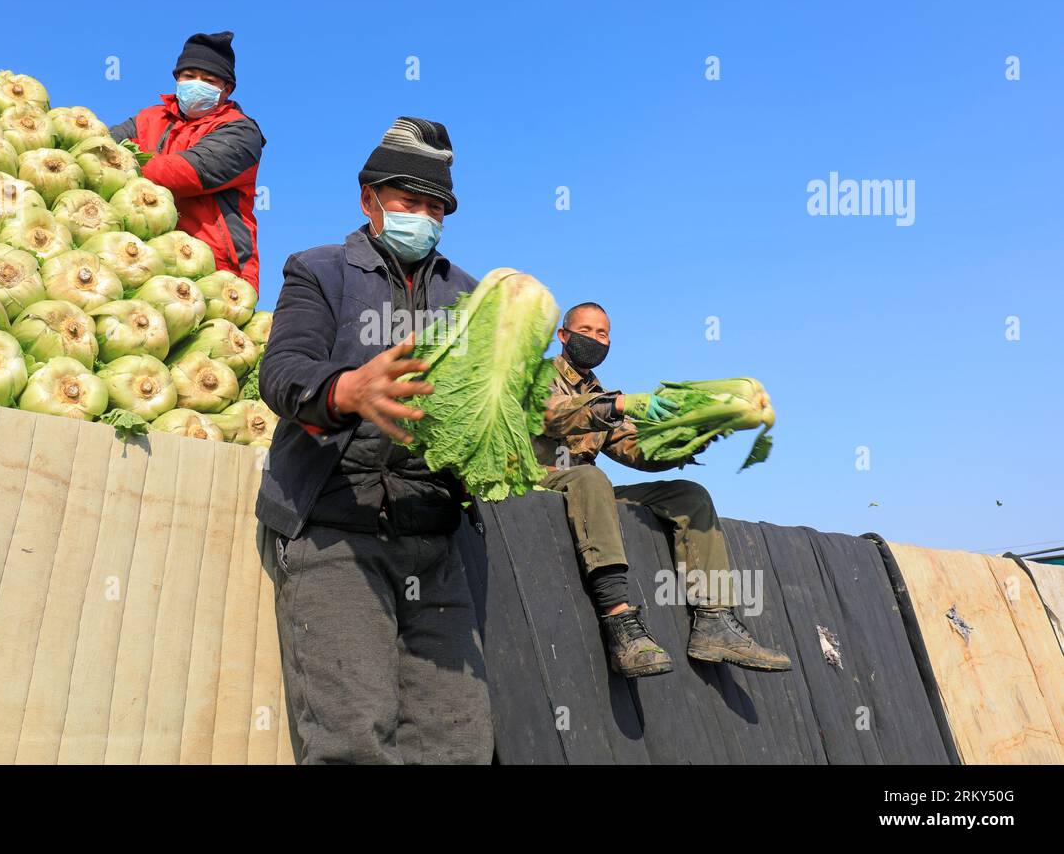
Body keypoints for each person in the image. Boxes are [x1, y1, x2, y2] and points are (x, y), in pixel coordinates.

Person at [255, 117, 492, 764]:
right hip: (336, 526)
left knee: (458, 744)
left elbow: (483, 409)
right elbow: (282, 374)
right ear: (369, 201)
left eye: (434, 207)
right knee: (355, 739)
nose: (424, 216)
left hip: (433, 538)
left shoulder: (470, 298)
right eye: (408, 203)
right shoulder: (320, 272)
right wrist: (348, 392)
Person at [534, 302, 792, 678]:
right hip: (538, 480)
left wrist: (686, 439)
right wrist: (622, 403)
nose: (594, 339)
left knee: (689, 495)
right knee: (590, 478)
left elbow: (635, 451)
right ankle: (619, 621)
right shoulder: (538, 376)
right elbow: (554, 416)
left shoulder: (598, 390)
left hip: (588, 488)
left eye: (602, 333)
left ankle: (714, 620)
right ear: (563, 335)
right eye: (585, 330)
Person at [109, 31, 266, 290]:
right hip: (144, 260)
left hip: (218, 273)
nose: (197, 84)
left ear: (226, 89)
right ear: (177, 79)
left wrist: (119, 162)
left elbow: (185, 172)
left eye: (209, 80)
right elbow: (99, 142)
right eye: (189, 76)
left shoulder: (241, 132)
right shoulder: (148, 119)